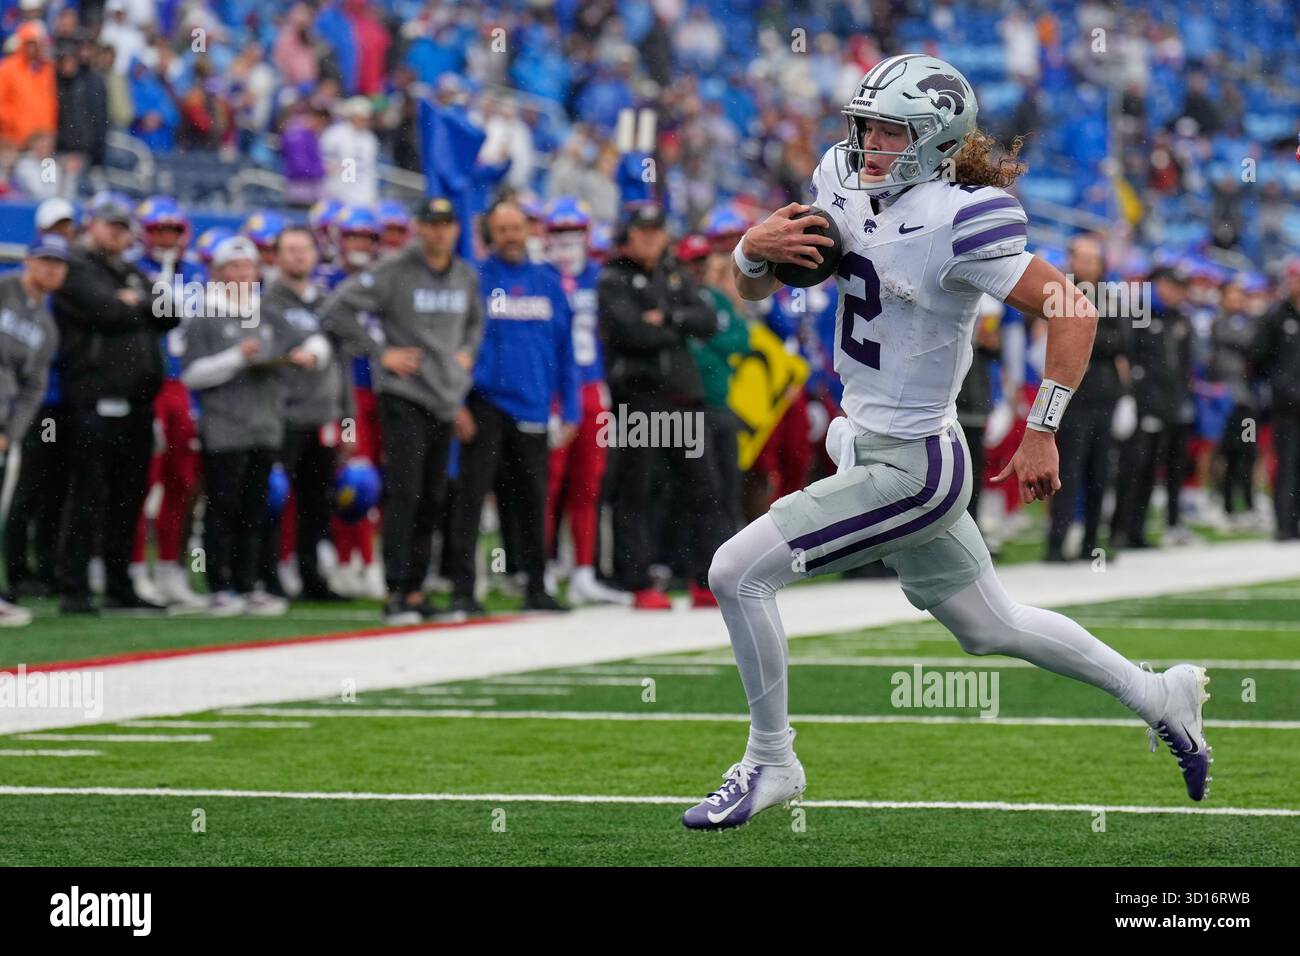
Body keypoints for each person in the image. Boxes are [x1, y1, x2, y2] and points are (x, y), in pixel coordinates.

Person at [684, 56, 1212, 830]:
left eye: (889, 132)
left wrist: (1042, 428)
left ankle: (772, 761)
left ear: (934, 142)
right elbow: (763, 281)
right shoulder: (838, 176)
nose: (867, 145)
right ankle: (1158, 694)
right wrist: (749, 253)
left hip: (915, 468)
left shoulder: (963, 217)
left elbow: (1075, 310)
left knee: (735, 574)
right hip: (862, 442)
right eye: (864, 126)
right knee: (990, 625)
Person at [322, 197, 483, 625]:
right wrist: (379, 353)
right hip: (404, 395)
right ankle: (395, 590)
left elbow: (475, 322)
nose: (440, 232)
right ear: (419, 228)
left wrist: (466, 353)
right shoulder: (394, 269)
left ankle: (417, 587)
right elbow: (337, 309)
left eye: (447, 224)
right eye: (432, 224)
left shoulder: (465, 275)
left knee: (433, 497)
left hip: (444, 397)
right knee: (405, 494)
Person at [180, 236, 328, 616]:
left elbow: (315, 340)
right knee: (222, 507)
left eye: (247, 267)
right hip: (224, 428)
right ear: (217, 273)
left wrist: (308, 355)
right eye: (233, 267)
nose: (242, 274)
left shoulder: (266, 313)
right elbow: (192, 375)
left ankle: (250, 584)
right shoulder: (205, 316)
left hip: (265, 425)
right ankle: (219, 585)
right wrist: (235, 358)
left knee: (257, 508)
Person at [443, 199, 577, 614]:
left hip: (534, 406)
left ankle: (536, 585)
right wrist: (456, 402)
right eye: (502, 230)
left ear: (529, 230)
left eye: (516, 228)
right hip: (483, 403)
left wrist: (571, 410)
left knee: (534, 501)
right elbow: (455, 344)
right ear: (491, 235)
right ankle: (464, 590)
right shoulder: (474, 279)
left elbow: (566, 349)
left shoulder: (549, 282)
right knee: (470, 498)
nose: (511, 237)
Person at [51, 194, 178, 614]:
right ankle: (74, 588)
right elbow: (105, 311)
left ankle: (119, 585)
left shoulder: (132, 272)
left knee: (129, 497)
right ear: (92, 225)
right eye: (111, 225)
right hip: (92, 400)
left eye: (124, 227)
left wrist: (133, 302)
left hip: (138, 403)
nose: (118, 233)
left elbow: (170, 313)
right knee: (86, 496)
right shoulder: (75, 268)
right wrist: (132, 303)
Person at [599, 200, 720, 610]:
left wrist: (664, 317)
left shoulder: (673, 274)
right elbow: (630, 332)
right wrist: (673, 324)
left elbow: (708, 320)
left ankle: (704, 579)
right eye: (642, 232)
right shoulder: (613, 278)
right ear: (628, 236)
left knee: (702, 489)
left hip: (682, 397)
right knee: (638, 489)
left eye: (656, 232)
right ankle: (637, 580)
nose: (650, 239)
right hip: (639, 397)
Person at [541, 197, 626, 605]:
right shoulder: (541, 277)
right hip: (552, 391)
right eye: (559, 233)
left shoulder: (601, 277)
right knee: (548, 483)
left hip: (592, 386)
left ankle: (584, 571)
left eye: (573, 232)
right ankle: (539, 569)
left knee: (589, 485)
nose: (567, 240)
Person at [257, 225, 349, 601]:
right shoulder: (265, 303)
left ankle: (312, 577)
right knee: (275, 500)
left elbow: (341, 364)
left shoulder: (328, 301)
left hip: (323, 414)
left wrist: (347, 416)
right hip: (283, 415)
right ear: (276, 256)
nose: (298, 256)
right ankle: (269, 576)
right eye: (290, 249)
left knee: (318, 503)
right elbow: (260, 357)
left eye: (304, 249)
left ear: (315, 255)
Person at [1045, 234, 1129, 561]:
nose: (1089, 265)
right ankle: (1057, 542)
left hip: (1103, 395)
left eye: (1094, 259)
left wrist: (1084, 335)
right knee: (1066, 470)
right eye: (1083, 258)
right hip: (1070, 395)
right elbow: (1055, 335)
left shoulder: (1109, 295)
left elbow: (1121, 341)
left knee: (1099, 472)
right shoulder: (1060, 290)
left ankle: (1091, 541)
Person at [0, 235, 67, 626]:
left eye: (58, 264)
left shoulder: (46, 325)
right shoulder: (4, 289)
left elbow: (34, 388)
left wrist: (12, 431)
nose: (51, 269)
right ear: (28, 260)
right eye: (44, 260)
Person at [1251, 259, 1300, 541]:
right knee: (1287, 464)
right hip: (1286, 405)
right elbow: (1258, 355)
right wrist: (1279, 384)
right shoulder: (1276, 316)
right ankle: (1284, 524)